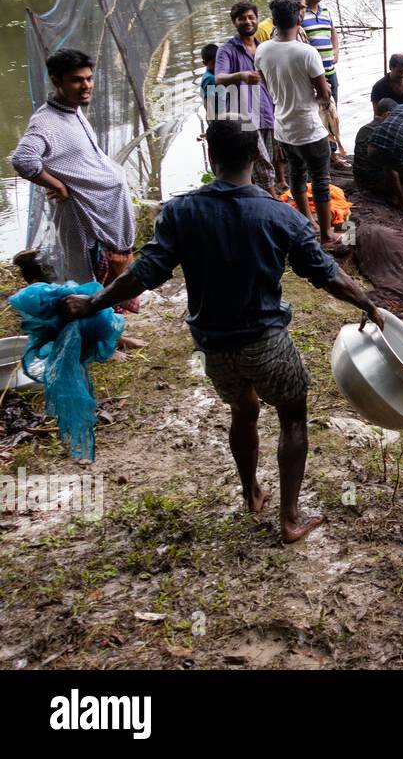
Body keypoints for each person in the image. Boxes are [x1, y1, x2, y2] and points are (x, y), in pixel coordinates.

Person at [58, 119, 382, 543]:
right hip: (265, 341)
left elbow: (144, 273)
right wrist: (367, 303)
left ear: (211, 157)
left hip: (212, 343)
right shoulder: (280, 215)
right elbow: (326, 274)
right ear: (255, 157)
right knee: (292, 417)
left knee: (243, 410)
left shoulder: (179, 211)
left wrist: (92, 302)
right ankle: (289, 519)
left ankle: (251, 493)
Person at [8, 49, 143, 345]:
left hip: (102, 212)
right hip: (81, 216)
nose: (86, 86)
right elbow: (23, 159)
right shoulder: (45, 122)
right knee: (85, 279)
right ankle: (94, 342)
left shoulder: (72, 111)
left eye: (89, 79)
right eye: (76, 80)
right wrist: (55, 184)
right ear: (56, 81)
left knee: (110, 277)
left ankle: (113, 334)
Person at [255, 0, 340, 247]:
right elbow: (323, 94)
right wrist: (321, 99)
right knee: (321, 180)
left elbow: (265, 83)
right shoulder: (307, 52)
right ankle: (326, 235)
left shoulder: (262, 50)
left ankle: (306, 224)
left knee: (297, 175)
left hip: (282, 126)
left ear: (274, 22)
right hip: (309, 128)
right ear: (298, 20)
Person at [214, 1, 280, 194]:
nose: (248, 21)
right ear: (235, 22)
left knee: (269, 157)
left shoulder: (263, 48)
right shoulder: (227, 49)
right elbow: (219, 78)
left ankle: (254, 198)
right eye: (242, 18)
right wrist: (241, 75)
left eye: (251, 17)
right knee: (261, 163)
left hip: (267, 111)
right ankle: (274, 204)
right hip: (243, 116)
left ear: (257, 20)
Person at [301, 0, 340, 104]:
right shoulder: (299, 13)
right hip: (312, 75)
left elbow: (332, 30)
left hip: (330, 70)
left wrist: (336, 49)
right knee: (318, 114)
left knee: (334, 113)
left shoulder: (326, 11)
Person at [351, 99, 395, 196]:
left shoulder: (363, 129)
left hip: (358, 177)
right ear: (388, 114)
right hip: (375, 182)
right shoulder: (386, 132)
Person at [199, 42, 219, 120]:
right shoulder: (210, 79)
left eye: (219, 61)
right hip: (218, 117)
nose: (217, 65)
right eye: (213, 63)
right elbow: (208, 103)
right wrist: (213, 123)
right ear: (204, 63)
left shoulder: (213, 74)